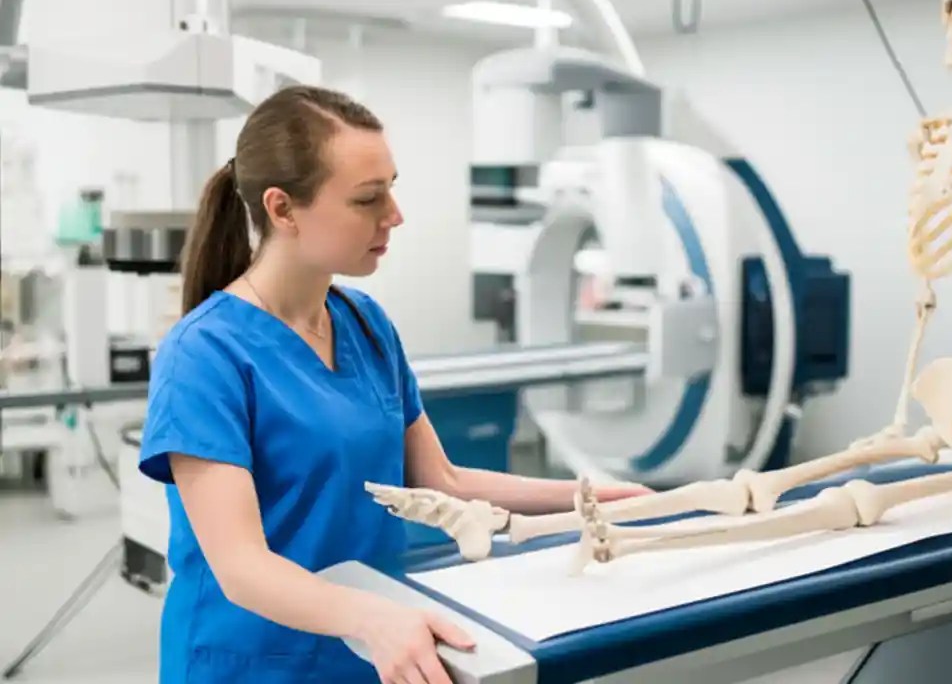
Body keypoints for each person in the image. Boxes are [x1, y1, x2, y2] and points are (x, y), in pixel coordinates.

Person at [137, 84, 651, 684]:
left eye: (391, 189)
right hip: (253, 663)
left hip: (370, 654)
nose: (395, 215)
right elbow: (242, 567)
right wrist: (373, 619)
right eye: (367, 198)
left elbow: (442, 480)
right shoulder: (204, 354)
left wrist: (591, 497)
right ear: (282, 209)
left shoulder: (365, 324)